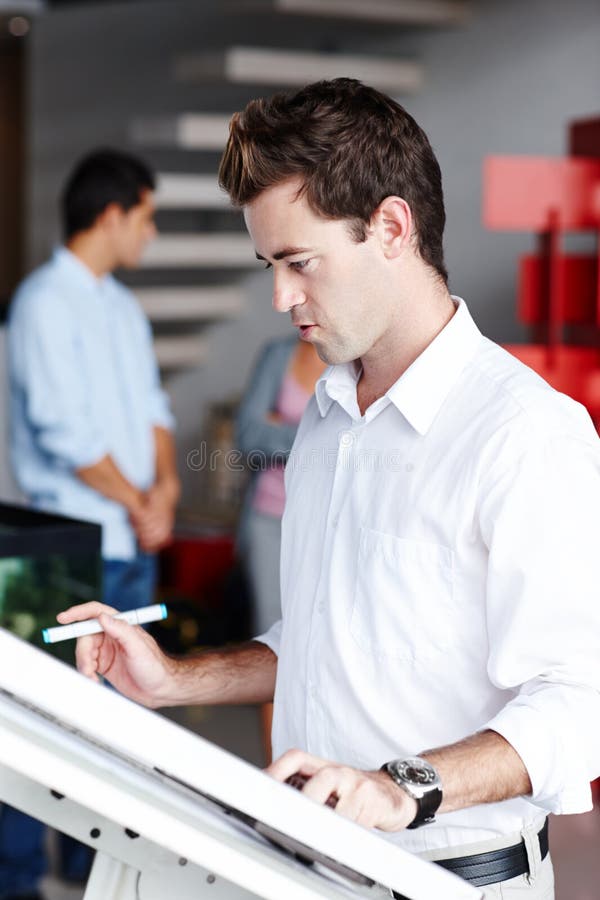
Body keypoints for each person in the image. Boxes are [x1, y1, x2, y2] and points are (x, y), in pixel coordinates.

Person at [58, 80, 600, 899]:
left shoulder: (527, 434)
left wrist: (399, 787)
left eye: (299, 262)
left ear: (391, 226)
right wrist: (176, 679)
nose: (280, 298)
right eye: (268, 264)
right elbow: (318, 638)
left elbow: (577, 706)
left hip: (451, 881)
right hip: (311, 869)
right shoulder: (327, 415)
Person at [5, 148, 179, 900]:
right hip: (67, 551)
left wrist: (167, 488)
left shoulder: (121, 307)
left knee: (116, 722)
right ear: (112, 215)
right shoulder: (44, 301)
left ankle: (90, 870)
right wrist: (138, 502)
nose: (151, 235)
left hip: (129, 546)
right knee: (43, 722)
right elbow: (62, 432)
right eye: (146, 218)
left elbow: (153, 412)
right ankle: (18, 879)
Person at [236, 335, 326, 758]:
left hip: (329, 524)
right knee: (273, 645)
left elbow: (363, 439)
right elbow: (249, 435)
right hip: (268, 520)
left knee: (325, 642)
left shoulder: (358, 358)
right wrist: (318, 433)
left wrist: (283, 427)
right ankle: (279, 770)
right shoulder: (277, 354)